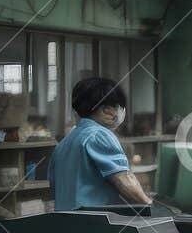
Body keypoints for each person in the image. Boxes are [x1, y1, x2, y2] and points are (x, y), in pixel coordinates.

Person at [51, 78, 151, 210]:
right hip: (95, 220)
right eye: (118, 107)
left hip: (64, 219)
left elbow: (54, 189)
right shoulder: (99, 135)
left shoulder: (63, 144)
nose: (120, 112)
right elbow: (124, 181)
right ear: (107, 110)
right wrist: (150, 205)